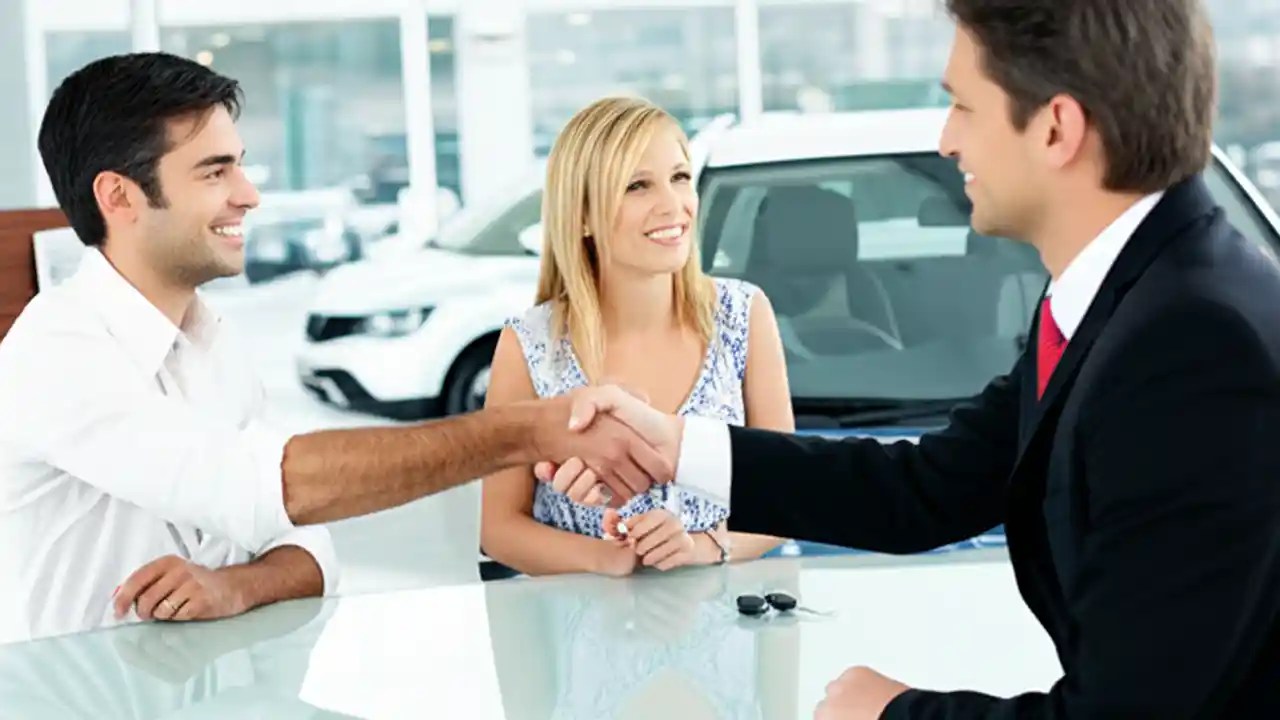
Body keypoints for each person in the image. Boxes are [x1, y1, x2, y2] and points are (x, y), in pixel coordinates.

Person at [565, 1, 1280, 717]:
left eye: (963, 107)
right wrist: (673, 446)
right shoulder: (1122, 297)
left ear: (1057, 129)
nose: (947, 141)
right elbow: (927, 489)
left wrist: (892, 713)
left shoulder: (1195, 344)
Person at [0, 53, 664, 643]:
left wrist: (236, 586)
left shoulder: (210, 341)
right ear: (119, 195)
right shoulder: (57, 352)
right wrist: (527, 431)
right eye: (214, 172)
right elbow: (268, 489)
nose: (249, 194)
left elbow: (310, 548)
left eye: (241, 165)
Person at [480, 97, 791, 577]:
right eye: (637, 185)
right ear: (581, 215)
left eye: (680, 177)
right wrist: (612, 559)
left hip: (722, 633)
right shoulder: (528, 345)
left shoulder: (744, 315)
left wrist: (699, 545)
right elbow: (500, 528)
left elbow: (788, 500)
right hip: (580, 632)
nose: (673, 205)